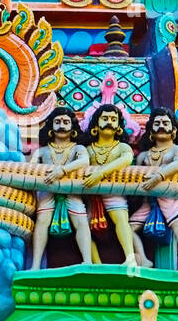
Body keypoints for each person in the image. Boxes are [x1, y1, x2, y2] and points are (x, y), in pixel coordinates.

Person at [129, 109, 178, 272]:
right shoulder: (143, 156)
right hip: (150, 200)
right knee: (128, 228)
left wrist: (158, 177)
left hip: (171, 198)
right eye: (157, 123)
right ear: (151, 130)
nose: (161, 126)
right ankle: (143, 259)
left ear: (173, 130)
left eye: (165, 123)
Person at [82, 104, 148, 269]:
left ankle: (130, 258)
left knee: (121, 219)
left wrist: (100, 173)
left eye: (113, 119)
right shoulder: (88, 149)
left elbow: (126, 160)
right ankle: (96, 264)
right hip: (91, 194)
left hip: (114, 192)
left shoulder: (122, 147)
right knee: (83, 225)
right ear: (96, 124)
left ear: (119, 126)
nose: (109, 122)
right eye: (105, 119)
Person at [30, 107, 93, 268]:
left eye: (66, 122)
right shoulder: (42, 151)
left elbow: (84, 161)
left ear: (72, 127)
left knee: (81, 221)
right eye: (57, 122)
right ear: (51, 127)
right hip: (47, 189)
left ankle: (87, 261)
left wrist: (62, 171)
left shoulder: (78, 148)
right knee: (42, 221)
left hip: (72, 190)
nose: (62, 126)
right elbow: (30, 169)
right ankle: (35, 265)